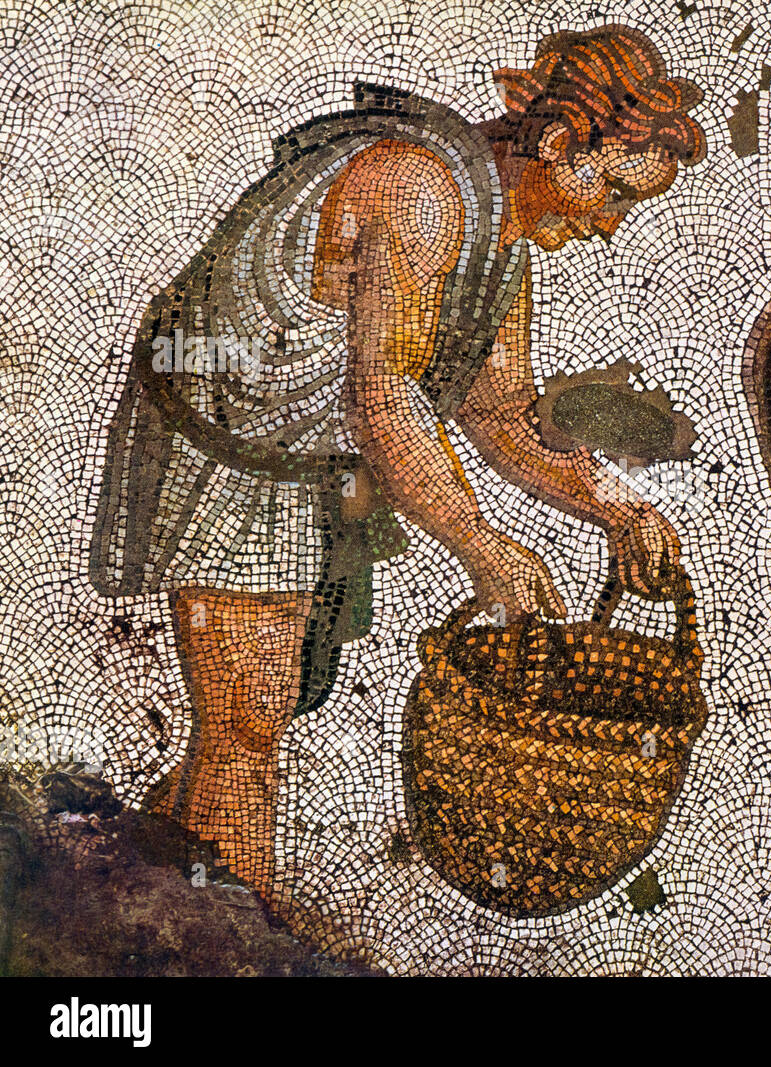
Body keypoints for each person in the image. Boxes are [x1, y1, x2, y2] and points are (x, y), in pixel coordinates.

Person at [89, 26, 706, 899]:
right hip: (227, 441)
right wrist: (484, 548)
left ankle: (159, 914)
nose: (606, 222)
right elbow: (384, 396)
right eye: (608, 189)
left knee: (246, 724)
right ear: (562, 142)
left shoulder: (500, 239)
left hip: (298, 464)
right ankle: (233, 950)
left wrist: (618, 506)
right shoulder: (421, 192)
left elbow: (500, 416)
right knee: (245, 729)